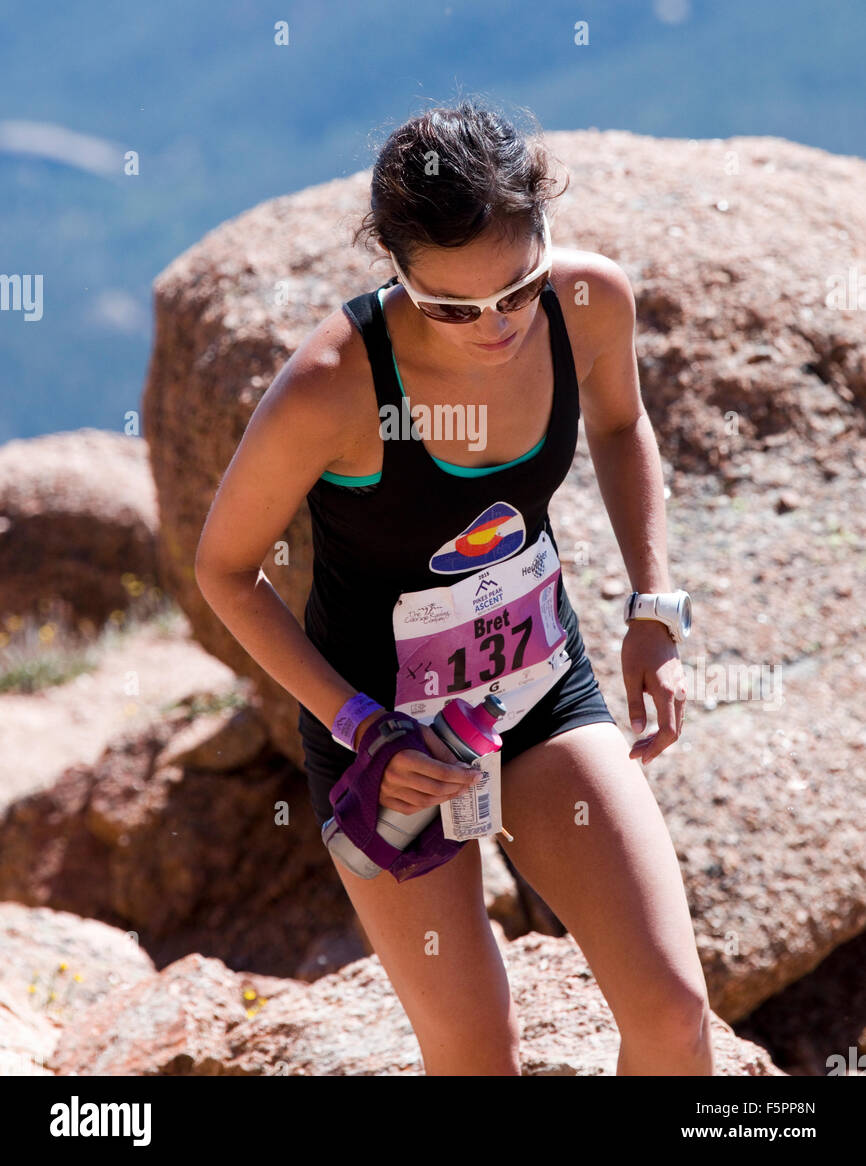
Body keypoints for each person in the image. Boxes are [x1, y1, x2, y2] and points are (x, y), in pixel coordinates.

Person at [194, 98, 715, 1077]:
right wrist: (360, 725)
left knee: (673, 1013)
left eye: (516, 289)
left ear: (544, 234)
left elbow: (617, 425)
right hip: (385, 737)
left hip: (537, 692)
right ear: (394, 270)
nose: (495, 327)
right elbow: (224, 571)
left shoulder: (589, 301)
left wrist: (653, 607)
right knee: (475, 1049)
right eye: (450, 308)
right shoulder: (333, 381)